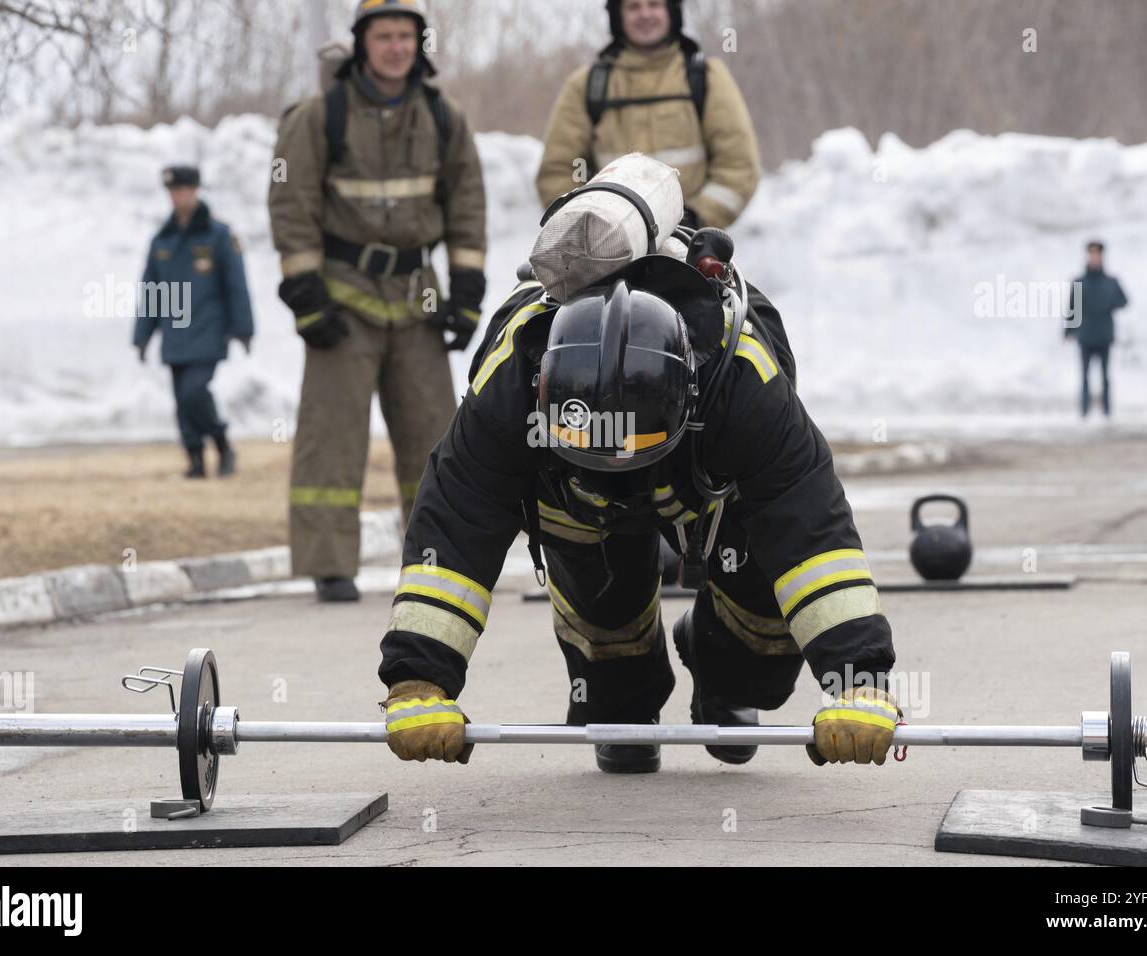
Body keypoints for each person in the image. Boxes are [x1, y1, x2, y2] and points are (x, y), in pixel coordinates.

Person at [376, 238, 898, 773]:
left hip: (711, 492)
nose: (618, 475)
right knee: (611, 675)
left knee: (761, 653)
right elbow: (453, 537)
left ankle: (718, 665)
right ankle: (626, 704)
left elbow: (814, 540)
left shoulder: (742, 385)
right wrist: (419, 680)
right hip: (573, 502)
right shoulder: (507, 390)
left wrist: (859, 684)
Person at [269, 0, 488, 603]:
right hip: (342, 301)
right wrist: (306, 295)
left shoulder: (444, 118)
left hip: (418, 301)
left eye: (405, 36)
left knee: (436, 440)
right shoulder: (319, 116)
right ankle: (329, 564)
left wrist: (468, 289)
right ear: (362, 43)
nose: (395, 47)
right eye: (383, 36)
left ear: (420, 43)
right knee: (331, 438)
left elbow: (467, 204)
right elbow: (291, 206)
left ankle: (438, 561)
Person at [536, 0, 761, 230]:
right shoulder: (585, 85)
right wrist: (588, 227)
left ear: (671, 11)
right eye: (633, 7)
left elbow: (738, 168)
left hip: (690, 249)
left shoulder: (707, 77)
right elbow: (558, 171)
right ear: (617, 16)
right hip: (608, 251)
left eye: (654, 4)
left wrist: (694, 219)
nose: (644, 14)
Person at [134, 165, 253, 478]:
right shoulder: (163, 239)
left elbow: (236, 284)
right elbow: (151, 291)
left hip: (208, 332)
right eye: (173, 191)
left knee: (194, 392)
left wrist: (243, 328)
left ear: (196, 191)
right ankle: (196, 459)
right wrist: (142, 335)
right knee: (182, 402)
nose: (178, 197)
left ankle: (222, 443)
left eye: (183, 190)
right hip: (175, 334)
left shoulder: (218, 235)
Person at [1064, 239, 1128, 418]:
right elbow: (1072, 308)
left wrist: (1110, 302)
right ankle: (1084, 412)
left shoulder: (1111, 281)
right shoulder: (1079, 282)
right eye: (1091, 254)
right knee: (1084, 376)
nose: (1094, 257)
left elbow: (1124, 301)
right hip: (1085, 335)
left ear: (1102, 256)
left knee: (1105, 376)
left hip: (1105, 335)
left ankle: (1107, 412)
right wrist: (1068, 331)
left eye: (1097, 254)